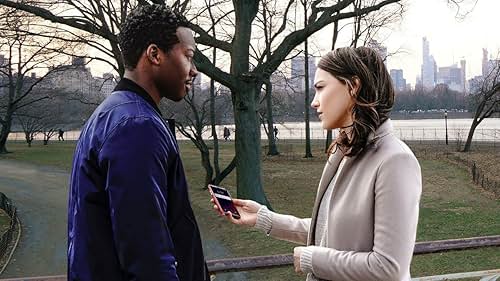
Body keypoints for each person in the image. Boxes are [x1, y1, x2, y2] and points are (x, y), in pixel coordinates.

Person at [213, 47, 422, 281]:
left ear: (353, 86)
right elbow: (330, 229)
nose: (314, 102)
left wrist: (313, 259)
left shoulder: (396, 161)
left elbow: (388, 267)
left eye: (321, 88)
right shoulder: (345, 153)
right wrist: (264, 218)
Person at [68, 4, 209, 281]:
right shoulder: (136, 126)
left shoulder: (113, 113)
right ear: (154, 54)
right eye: (188, 57)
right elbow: (147, 253)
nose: (194, 70)